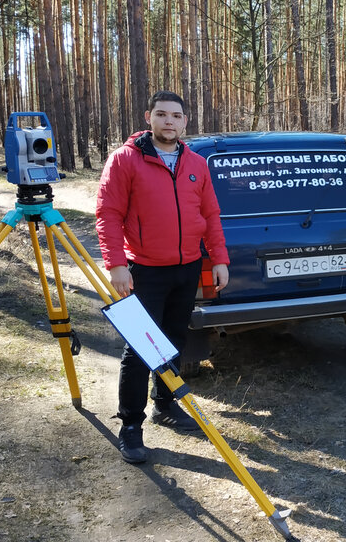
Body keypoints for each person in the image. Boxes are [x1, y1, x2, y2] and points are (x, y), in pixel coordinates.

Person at [96, 90, 230, 464]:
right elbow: (107, 214)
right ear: (148, 118)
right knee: (139, 351)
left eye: (176, 116)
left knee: (171, 341)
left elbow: (211, 216)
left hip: (186, 269)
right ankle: (131, 426)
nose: (168, 121)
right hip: (143, 271)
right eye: (161, 114)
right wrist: (117, 264)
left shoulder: (196, 163)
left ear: (185, 122)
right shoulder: (125, 160)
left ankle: (164, 405)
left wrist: (218, 258)